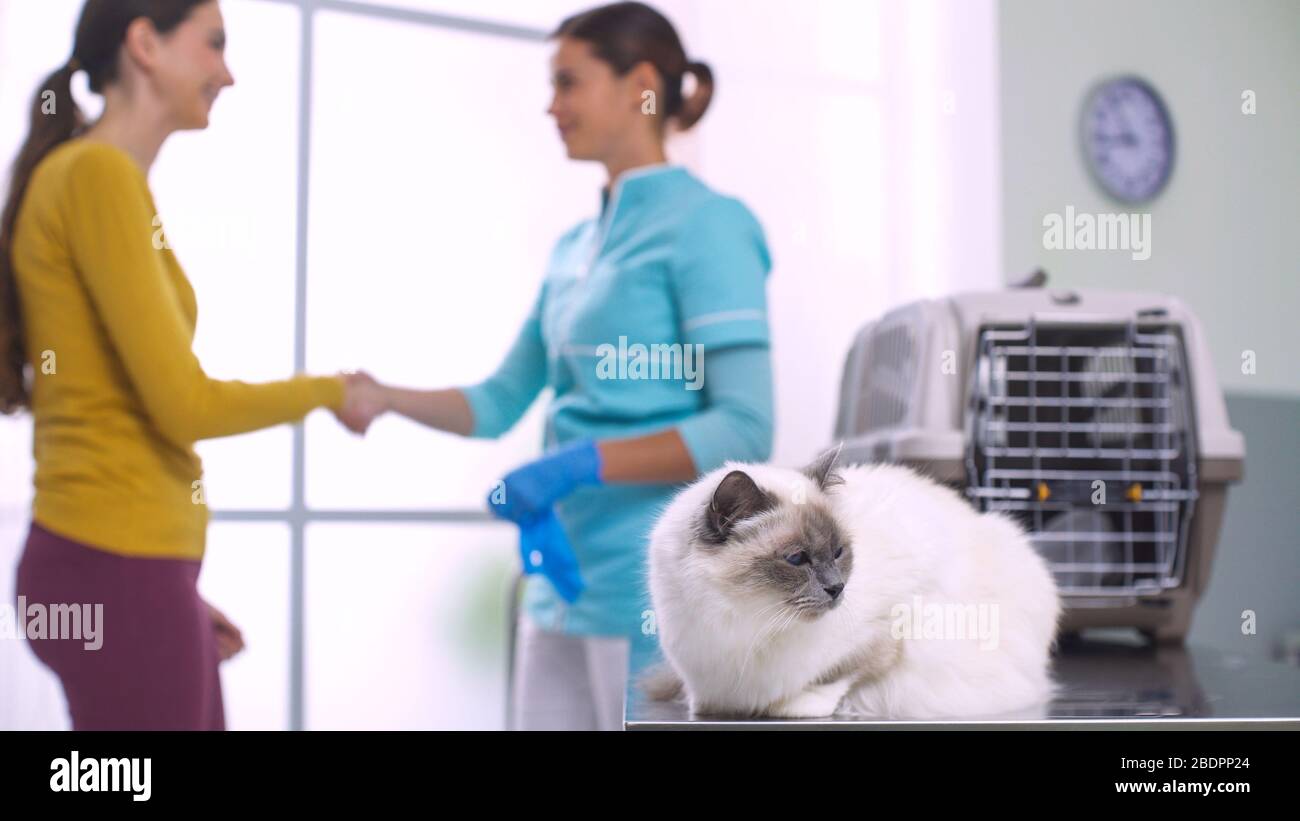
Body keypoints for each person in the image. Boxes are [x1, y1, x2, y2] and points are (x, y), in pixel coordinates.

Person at [364, 1, 775, 730]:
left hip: (653, 598)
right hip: (559, 588)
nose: (550, 106)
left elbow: (743, 424)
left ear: (639, 84)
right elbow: (497, 401)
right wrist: (381, 395)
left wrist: (580, 462)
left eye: (568, 82)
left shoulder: (707, 226)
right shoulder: (573, 249)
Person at [0, 0, 386, 730]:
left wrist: (169, 598)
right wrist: (330, 390)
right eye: (213, 45)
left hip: (117, 567)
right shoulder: (96, 176)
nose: (228, 73)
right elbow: (183, 405)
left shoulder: (98, 178)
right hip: (110, 566)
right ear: (145, 44)